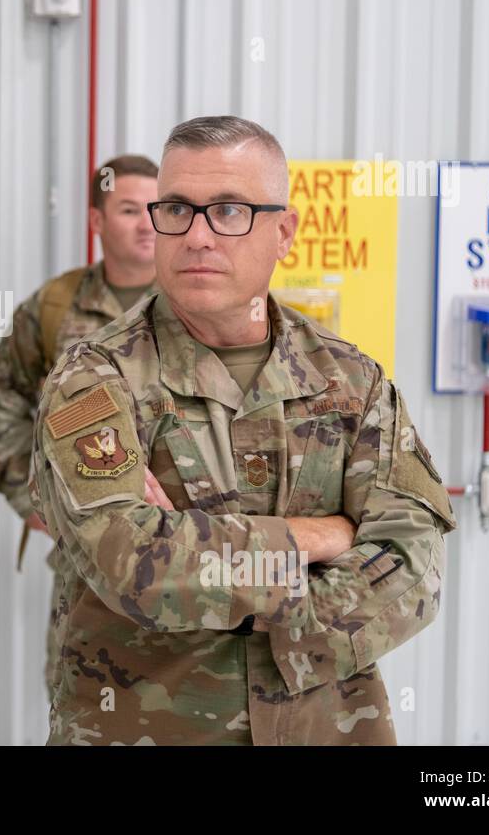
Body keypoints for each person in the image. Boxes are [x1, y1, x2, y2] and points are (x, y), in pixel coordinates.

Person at [30, 116, 454, 745]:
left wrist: (224, 575)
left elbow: (413, 564)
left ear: (284, 231)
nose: (197, 235)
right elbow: (134, 564)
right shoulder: (95, 380)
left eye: (229, 210)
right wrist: (322, 538)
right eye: (176, 208)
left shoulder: (350, 381)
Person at [0, 154, 158, 687]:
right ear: (96, 220)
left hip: (183, 547)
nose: (147, 223)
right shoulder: (55, 308)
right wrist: (33, 500)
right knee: (80, 695)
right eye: (129, 209)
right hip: (85, 561)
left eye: (158, 208)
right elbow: (6, 405)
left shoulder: (195, 303)